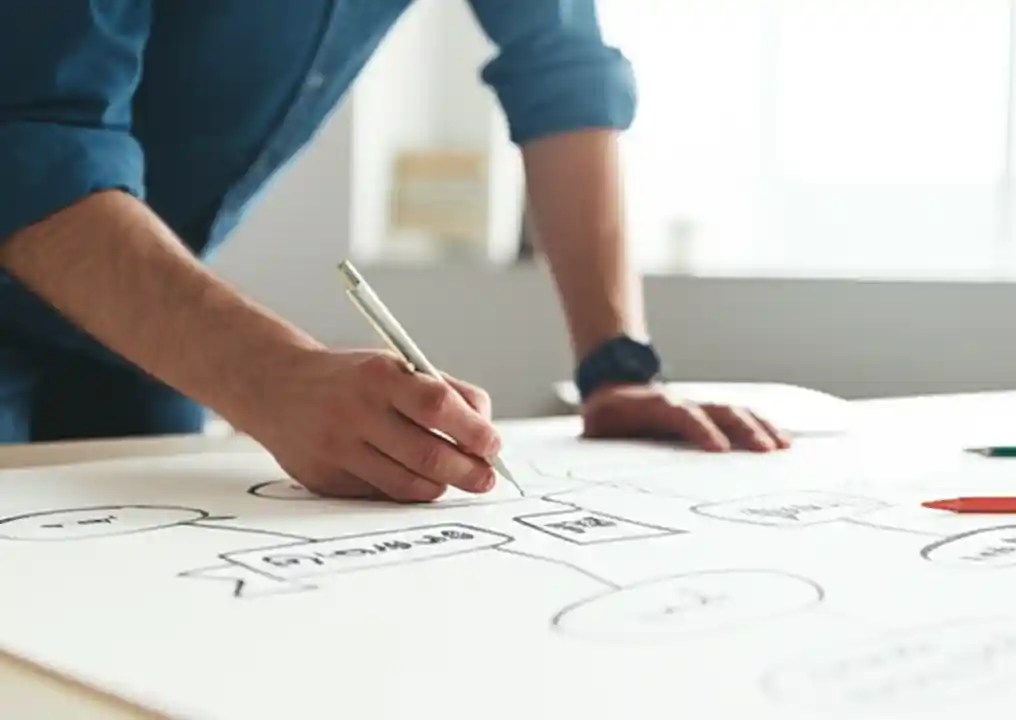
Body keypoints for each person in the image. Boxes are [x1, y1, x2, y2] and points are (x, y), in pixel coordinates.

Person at [0, 2, 790, 502]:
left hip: (142, 329)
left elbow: (562, 67)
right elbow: (35, 139)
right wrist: (272, 377)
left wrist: (616, 368)